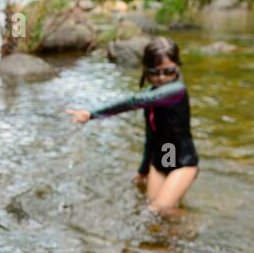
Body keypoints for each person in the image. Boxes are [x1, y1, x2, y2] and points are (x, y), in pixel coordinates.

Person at [66, 37, 198, 212]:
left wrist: (92, 114)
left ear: (178, 66)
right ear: (145, 70)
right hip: (165, 154)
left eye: (168, 71)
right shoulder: (152, 94)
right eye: (154, 72)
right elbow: (151, 136)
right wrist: (143, 170)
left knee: (160, 208)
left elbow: (135, 101)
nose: (161, 78)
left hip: (182, 160)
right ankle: (170, 234)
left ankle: (194, 226)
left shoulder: (175, 91)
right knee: (151, 207)